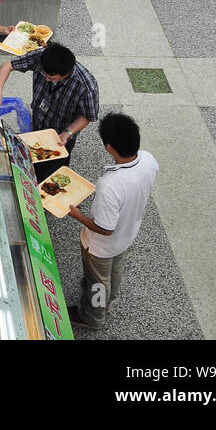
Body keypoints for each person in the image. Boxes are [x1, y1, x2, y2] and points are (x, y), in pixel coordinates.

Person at [64, 112, 159, 330]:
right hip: (127, 235)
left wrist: (77, 215)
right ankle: (109, 302)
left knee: (97, 282)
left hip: (101, 246)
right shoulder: (148, 159)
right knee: (114, 273)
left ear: (109, 147)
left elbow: (105, 229)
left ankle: (93, 316)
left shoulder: (111, 185)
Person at [0, 42, 100, 181]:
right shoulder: (41, 56)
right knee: (30, 164)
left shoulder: (86, 86)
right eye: (44, 75)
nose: (46, 79)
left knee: (52, 173)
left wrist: (68, 133)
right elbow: (8, 65)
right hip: (38, 124)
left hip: (60, 135)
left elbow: (88, 115)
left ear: (65, 74)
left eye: (52, 78)